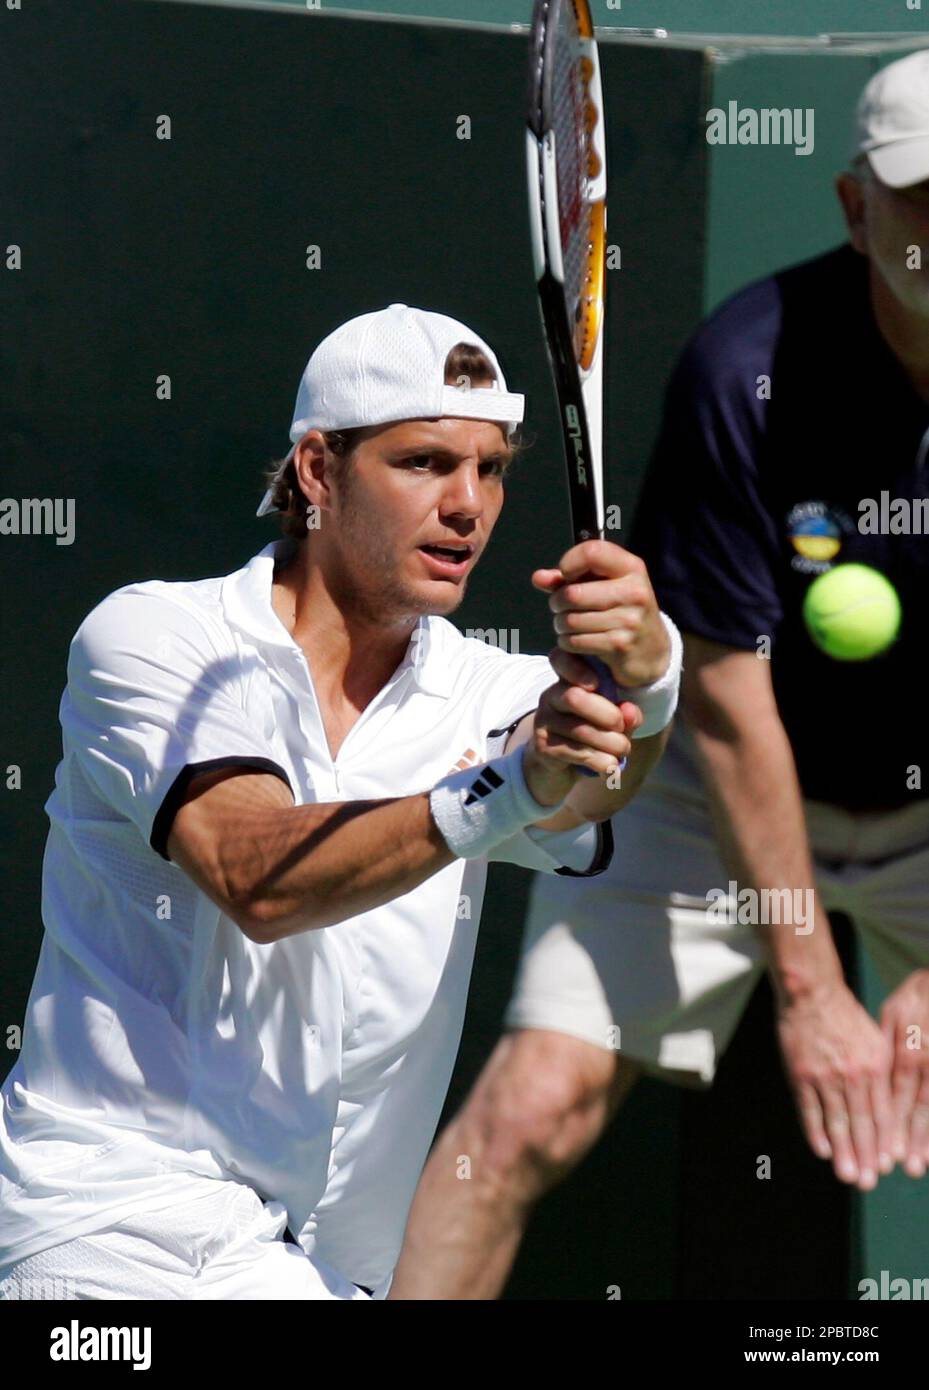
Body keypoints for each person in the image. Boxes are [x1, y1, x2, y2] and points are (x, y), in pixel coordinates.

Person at [0, 304, 680, 1300]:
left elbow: (588, 786)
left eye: (489, 469)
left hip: (321, 1274)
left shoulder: (481, 690)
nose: (467, 505)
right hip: (114, 1233)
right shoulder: (152, 641)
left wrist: (648, 684)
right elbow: (256, 874)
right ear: (316, 471)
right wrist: (506, 786)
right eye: (423, 463)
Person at [389, 51, 929, 1301]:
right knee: (529, 1114)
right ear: (858, 211)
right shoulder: (745, 371)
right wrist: (806, 985)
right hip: (716, 790)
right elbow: (732, 705)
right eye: (923, 200)